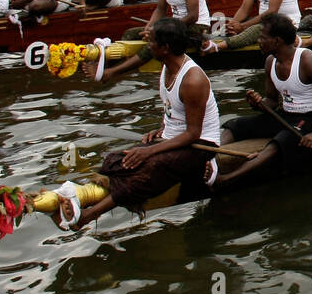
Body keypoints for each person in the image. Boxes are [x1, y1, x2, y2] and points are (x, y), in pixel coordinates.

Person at [67, 18, 220, 229]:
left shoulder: (192, 80)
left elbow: (193, 133)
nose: (148, 48)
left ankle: (87, 216)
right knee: (115, 160)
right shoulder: (167, 67)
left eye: (151, 43)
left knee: (146, 171)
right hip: (174, 137)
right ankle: (84, 198)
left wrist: (149, 151)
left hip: (201, 144)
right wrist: (161, 130)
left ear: (165, 48)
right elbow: (173, 111)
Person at [213, 12, 312, 189]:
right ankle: (211, 159)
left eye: (262, 37)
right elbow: (272, 102)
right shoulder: (270, 62)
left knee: (279, 144)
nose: (258, 41)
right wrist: (258, 104)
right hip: (287, 116)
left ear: (277, 41)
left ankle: (226, 180)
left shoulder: (308, 60)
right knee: (235, 125)